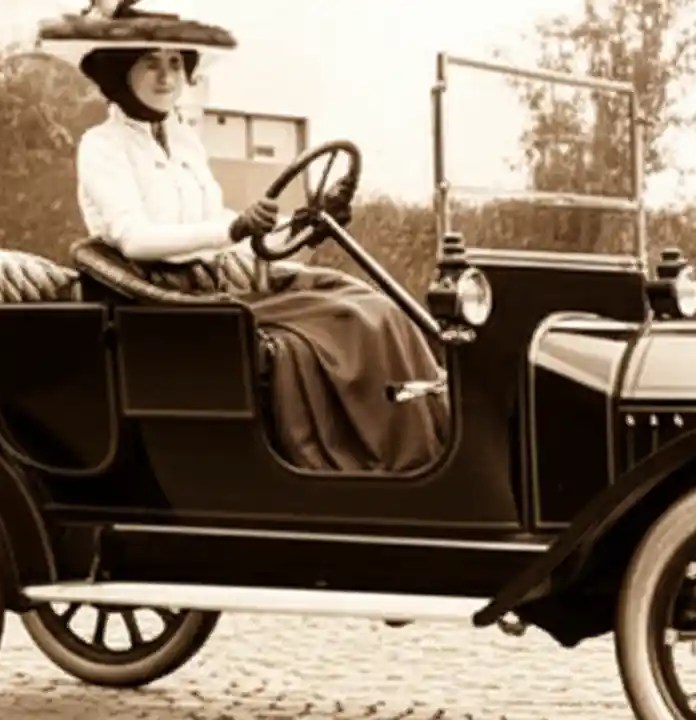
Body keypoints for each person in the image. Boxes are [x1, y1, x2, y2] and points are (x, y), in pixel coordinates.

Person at [57, 1, 449, 472]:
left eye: (175, 64)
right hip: (157, 305)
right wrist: (234, 227)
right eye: (150, 63)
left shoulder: (182, 138)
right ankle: (384, 457)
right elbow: (135, 238)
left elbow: (217, 224)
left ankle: (428, 442)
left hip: (212, 287)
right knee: (348, 319)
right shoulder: (102, 145)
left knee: (371, 304)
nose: (166, 78)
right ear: (119, 72)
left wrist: (298, 223)